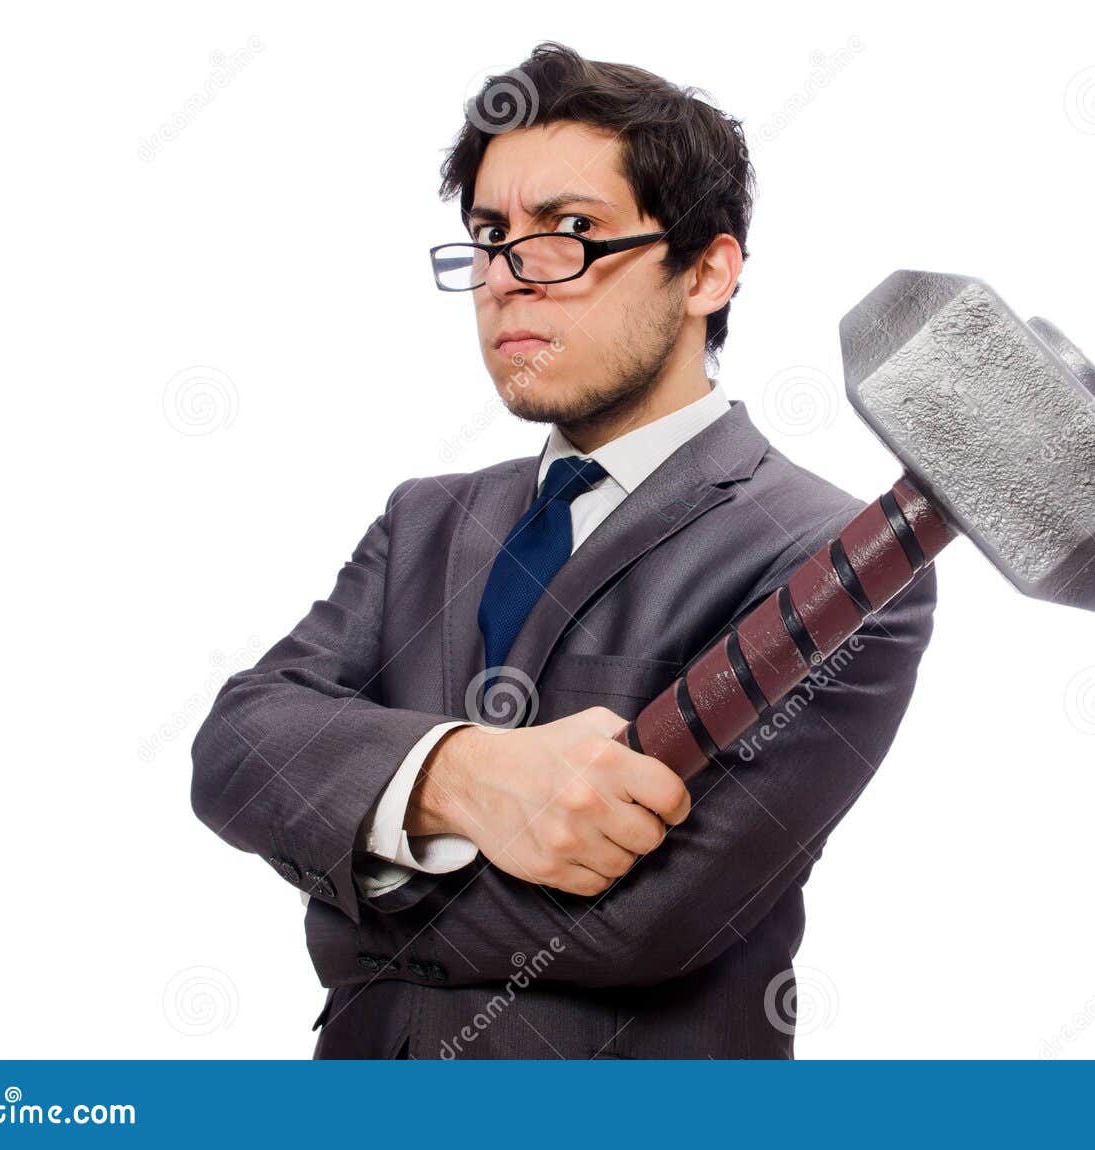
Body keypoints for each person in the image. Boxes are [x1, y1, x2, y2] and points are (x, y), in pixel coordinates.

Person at [190, 41, 937, 1059]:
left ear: (706, 272)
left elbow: (648, 921)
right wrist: (457, 773)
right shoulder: (426, 520)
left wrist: (347, 900)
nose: (508, 279)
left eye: (569, 232)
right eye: (490, 236)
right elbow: (236, 746)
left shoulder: (821, 560)